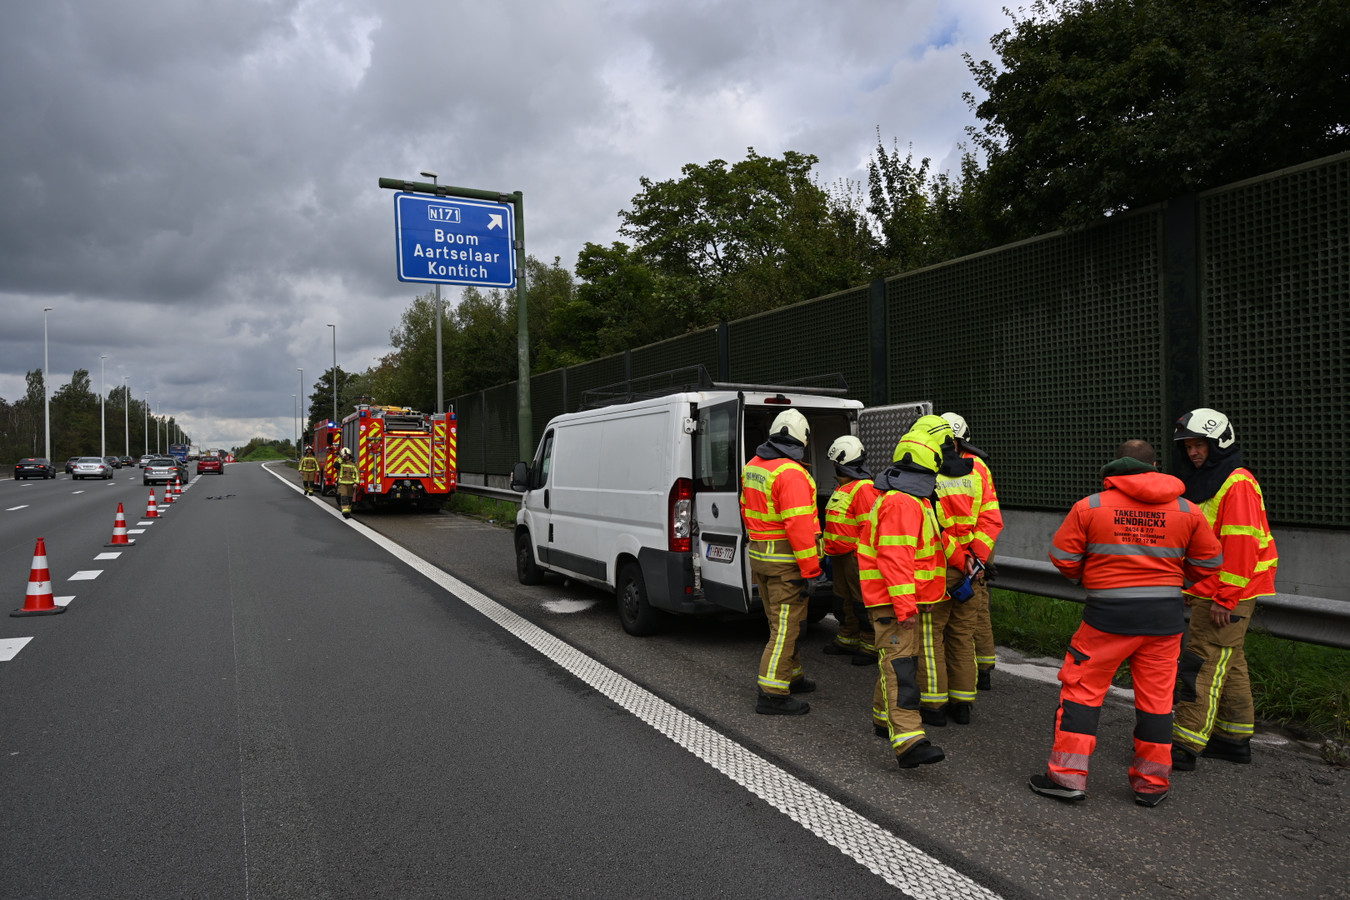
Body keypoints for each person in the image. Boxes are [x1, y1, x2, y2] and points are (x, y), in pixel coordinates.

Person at [1031, 440, 1222, 807]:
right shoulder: (1188, 510)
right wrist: (1182, 585)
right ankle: (1152, 784)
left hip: (1107, 618)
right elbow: (1211, 564)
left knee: (1083, 693)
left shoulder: (1091, 506)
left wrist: (1092, 576)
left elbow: (1062, 557)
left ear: (1116, 467)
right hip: (1164, 621)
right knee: (1157, 702)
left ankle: (1067, 777)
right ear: (1155, 466)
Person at [1171, 408, 1278, 771]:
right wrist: (1198, 585)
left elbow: (1241, 544)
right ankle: (1233, 740)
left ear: (1220, 442)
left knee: (1202, 662)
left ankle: (1184, 744)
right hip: (1216, 588)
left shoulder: (1237, 482)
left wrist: (1225, 596)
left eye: (1200, 444)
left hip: (1230, 591)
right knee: (1230, 664)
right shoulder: (1214, 480)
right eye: (1188, 446)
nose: (1193, 452)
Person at [856, 423, 950, 768]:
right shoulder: (903, 503)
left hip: (897, 601)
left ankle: (885, 719)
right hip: (893, 603)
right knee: (901, 668)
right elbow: (896, 559)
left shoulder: (909, 500)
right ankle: (909, 741)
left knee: (894, 663)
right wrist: (905, 606)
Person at [741, 408, 822, 715]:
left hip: (761, 559)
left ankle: (793, 675)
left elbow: (746, 509)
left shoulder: (753, 466)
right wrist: (811, 569)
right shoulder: (791, 474)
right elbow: (799, 527)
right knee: (785, 629)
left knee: (781, 623)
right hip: (786, 563)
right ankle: (773, 693)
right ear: (801, 439)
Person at [933, 413, 1003, 724]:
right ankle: (962, 705)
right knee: (963, 634)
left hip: (938, 565)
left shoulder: (927, 469)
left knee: (933, 634)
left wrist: (959, 556)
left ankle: (933, 704)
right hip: (972, 567)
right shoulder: (979, 469)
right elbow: (990, 518)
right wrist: (976, 557)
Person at [821, 435, 879, 666]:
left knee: (861, 602)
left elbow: (869, 527)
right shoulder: (844, 486)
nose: (833, 466)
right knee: (842, 600)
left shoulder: (863, 488)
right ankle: (847, 637)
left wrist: (861, 555)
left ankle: (871, 644)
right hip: (839, 556)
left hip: (855, 557)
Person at [336, 446, 359, 518]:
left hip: (351, 484)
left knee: (349, 498)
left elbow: (357, 474)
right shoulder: (340, 463)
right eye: (345, 456)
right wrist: (341, 458)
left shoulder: (354, 464)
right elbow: (335, 465)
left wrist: (356, 483)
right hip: (342, 483)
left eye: (347, 455)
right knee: (344, 497)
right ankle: (345, 512)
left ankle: (348, 512)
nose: (346, 457)